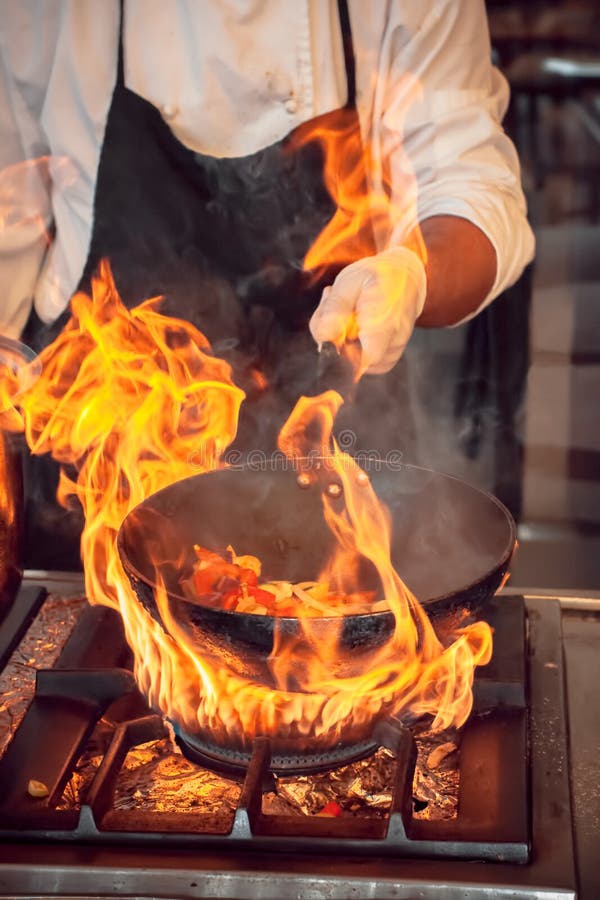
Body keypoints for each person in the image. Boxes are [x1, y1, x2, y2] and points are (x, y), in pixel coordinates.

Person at [0, 1, 534, 566]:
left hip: (338, 459)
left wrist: (413, 273)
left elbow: (468, 180)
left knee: (360, 627)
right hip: (103, 460)